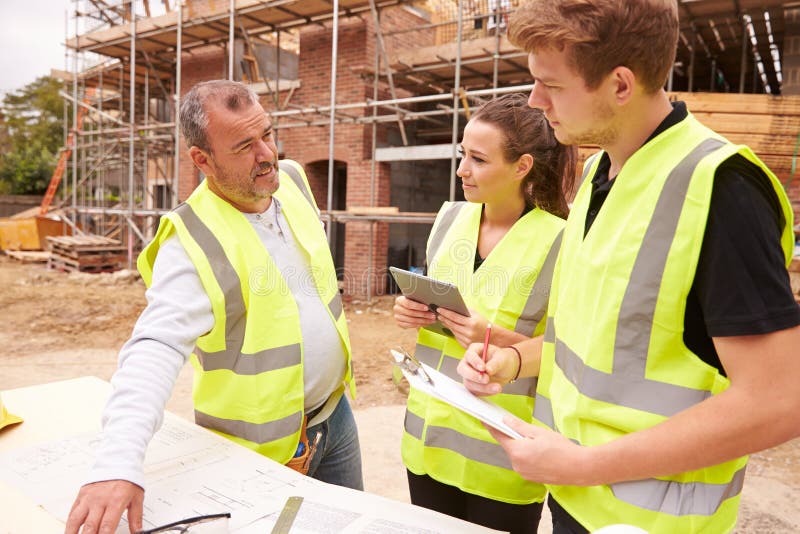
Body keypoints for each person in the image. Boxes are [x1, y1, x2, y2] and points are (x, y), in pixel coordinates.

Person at [458, 1, 800, 533]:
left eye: (552, 84)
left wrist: (584, 466)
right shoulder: (598, 173)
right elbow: (607, 349)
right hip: (576, 501)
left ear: (620, 84)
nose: (535, 100)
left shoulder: (721, 189)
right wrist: (514, 361)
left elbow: (779, 400)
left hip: (654, 521)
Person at [65, 80, 362, 534]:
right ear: (202, 159)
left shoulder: (294, 181)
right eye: (244, 145)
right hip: (263, 449)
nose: (266, 154)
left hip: (335, 417)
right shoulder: (191, 240)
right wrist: (117, 462)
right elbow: (154, 348)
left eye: (267, 133)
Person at [393, 93, 576, 533]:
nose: (461, 170)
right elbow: (435, 311)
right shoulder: (449, 219)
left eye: (477, 159)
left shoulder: (561, 241)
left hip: (500, 459)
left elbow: (569, 349)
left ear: (522, 167)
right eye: (462, 155)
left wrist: (489, 335)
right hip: (427, 441)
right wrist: (410, 310)